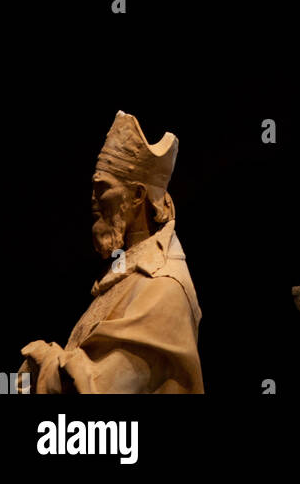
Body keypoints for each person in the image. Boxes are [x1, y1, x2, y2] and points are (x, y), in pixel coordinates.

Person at [19, 111, 203, 393]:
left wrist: (42, 360)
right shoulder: (126, 271)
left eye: (103, 188)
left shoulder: (163, 286)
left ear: (138, 196)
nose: (93, 199)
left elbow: (100, 389)